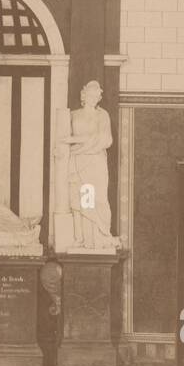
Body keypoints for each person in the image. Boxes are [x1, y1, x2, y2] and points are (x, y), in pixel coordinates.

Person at [60, 80, 116, 248]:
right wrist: (65, 145)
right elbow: (62, 139)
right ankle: (80, 238)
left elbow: (106, 139)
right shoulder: (73, 115)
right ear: (84, 95)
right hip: (78, 161)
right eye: (90, 94)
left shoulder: (102, 115)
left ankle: (98, 237)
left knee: (96, 199)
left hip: (95, 163)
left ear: (99, 97)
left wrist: (75, 140)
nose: (93, 98)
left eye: (96, 95)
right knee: (79, 200)